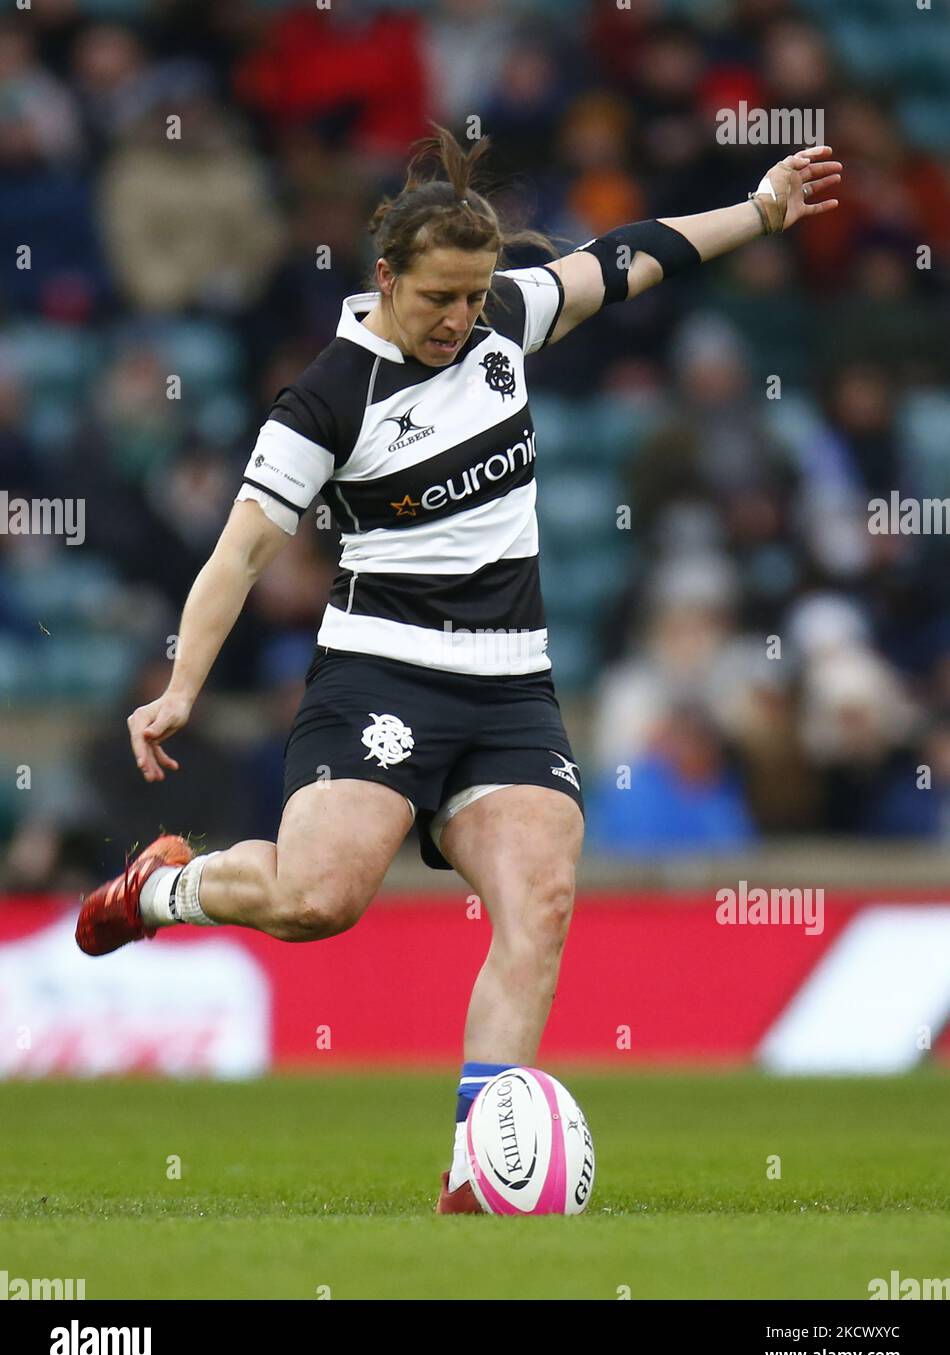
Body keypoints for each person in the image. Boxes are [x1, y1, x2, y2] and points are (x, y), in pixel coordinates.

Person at [75, 124, 841, 1212]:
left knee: (540, 896)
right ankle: (166, 888)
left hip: (510, 684)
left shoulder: (500, 326)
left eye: (475, 295)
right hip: (379, 677)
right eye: (438, 296)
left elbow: (625, 258)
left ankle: (476, 1166)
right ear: (385, 277)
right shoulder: (325, 402)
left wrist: (758, 211)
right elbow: (240, 548)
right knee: (315, 900)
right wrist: (182, 687)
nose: (459, 318)